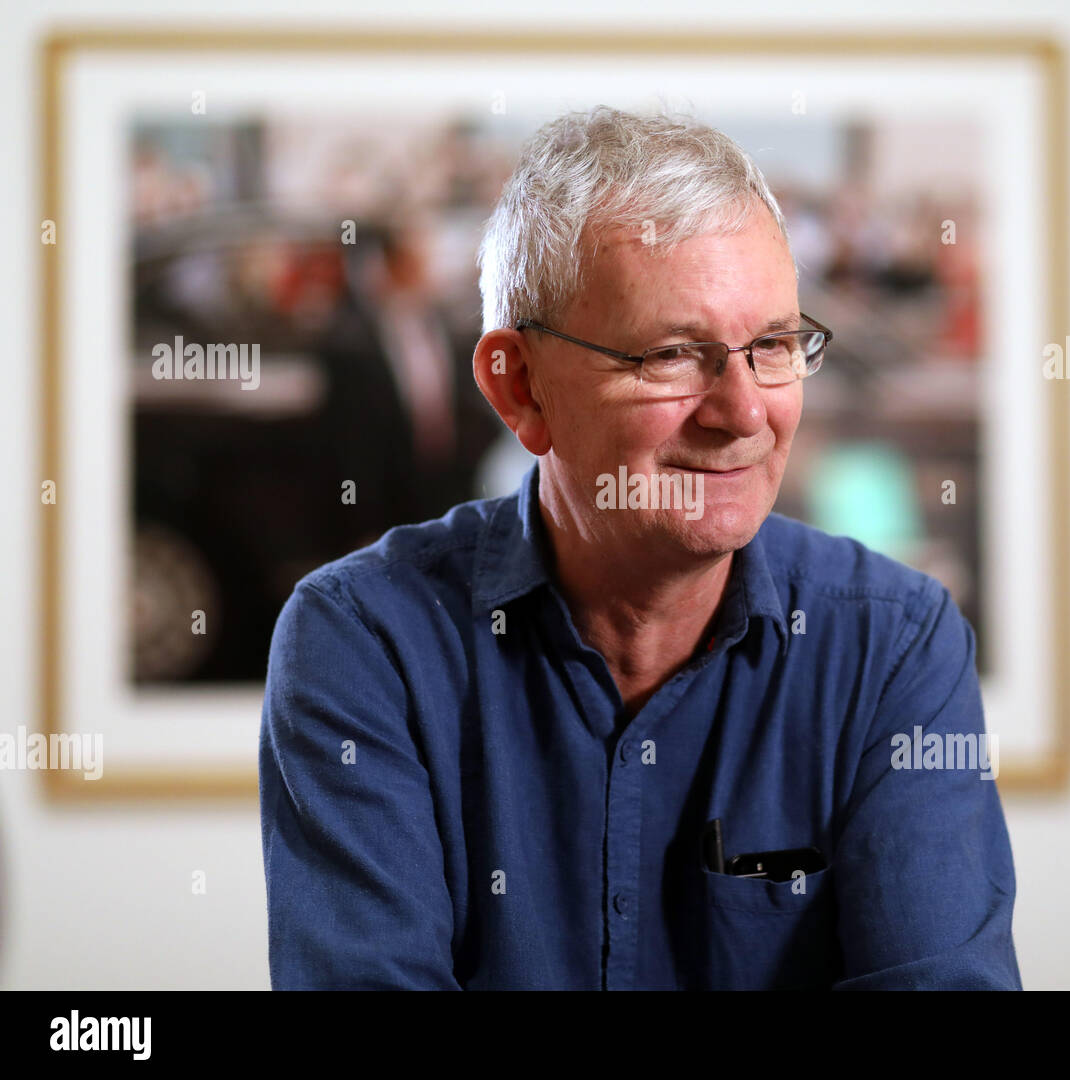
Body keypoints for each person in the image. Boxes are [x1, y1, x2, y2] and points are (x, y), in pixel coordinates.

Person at [258, 105, 1022, 990]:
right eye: (670, 355)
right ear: (521, 390)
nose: (742, 414)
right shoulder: (365, 642)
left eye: (773, 345)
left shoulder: (892, 644)